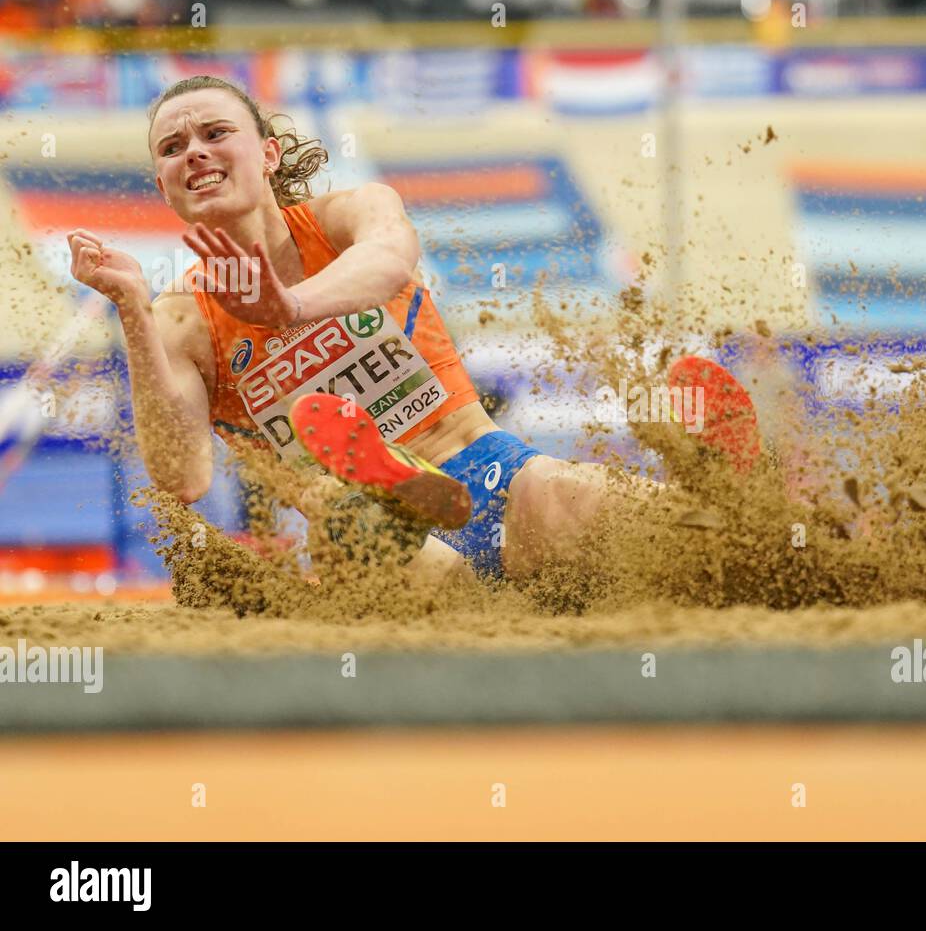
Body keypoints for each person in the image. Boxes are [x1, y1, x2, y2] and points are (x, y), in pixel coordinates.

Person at [65, 74, 683, 587]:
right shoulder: (178, 319)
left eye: (215, 133)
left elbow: (389, 261)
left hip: (487, 468)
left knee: (606, 509)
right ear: (163, 187)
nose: (193, 151)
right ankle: (396, 497)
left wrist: (289, 307)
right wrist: (131, 311)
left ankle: (715, 497)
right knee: (356, 520)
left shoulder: (350, 217)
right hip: (365, 540)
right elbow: (184, 478)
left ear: (269, 153)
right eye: (172, 149)